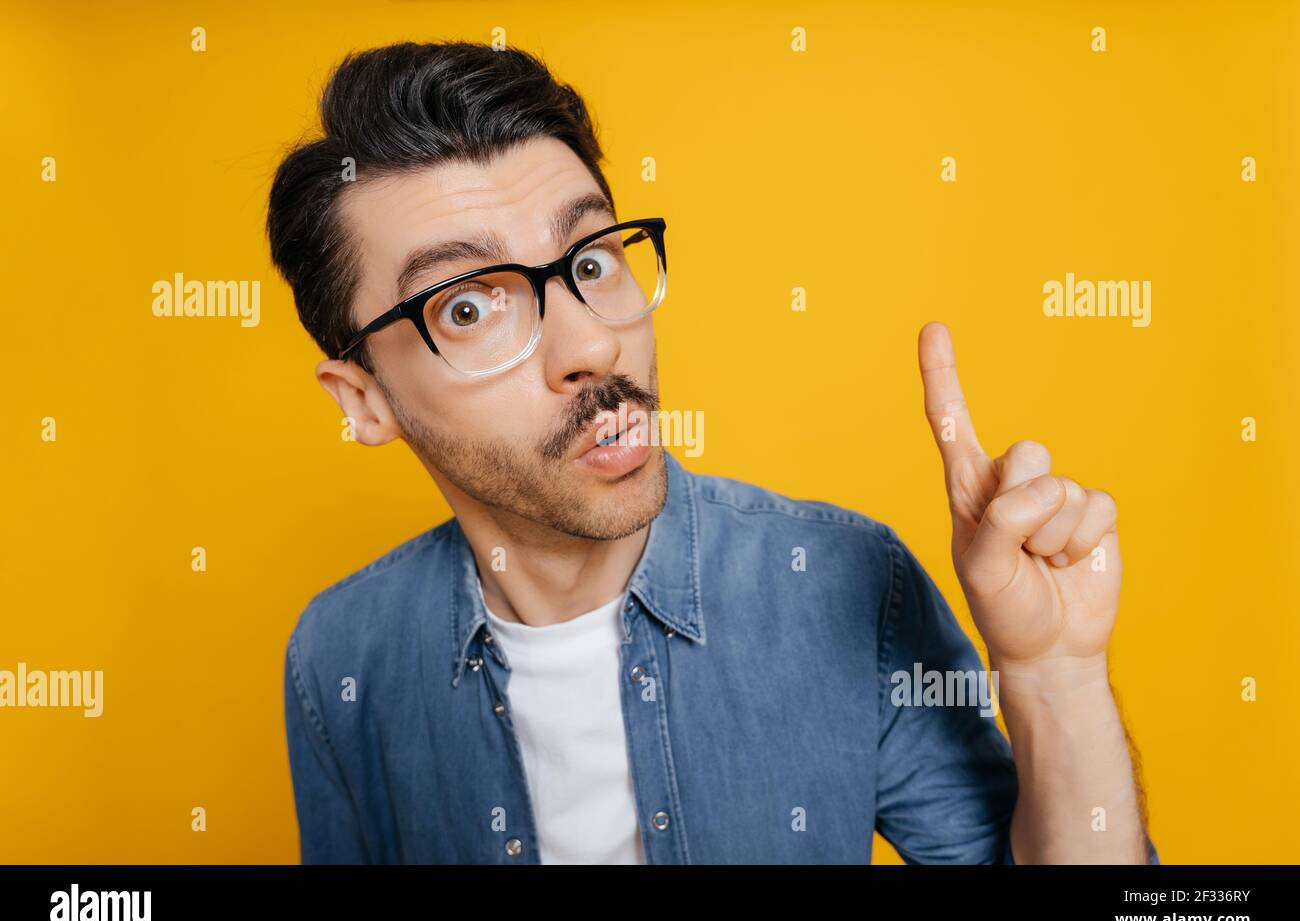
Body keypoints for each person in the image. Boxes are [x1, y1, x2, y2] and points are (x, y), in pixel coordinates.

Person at [267, 40, 1157, 864]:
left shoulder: (841, 585)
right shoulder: (340, 657)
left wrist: (1057, 679)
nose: (591, 345)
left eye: (590, 260)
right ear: (367, 400)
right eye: (467, 306)